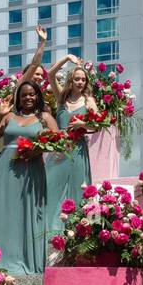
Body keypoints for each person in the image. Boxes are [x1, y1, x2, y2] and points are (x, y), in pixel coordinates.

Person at [0, 28, 54, 274]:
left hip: (32, 168)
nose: (28, 98)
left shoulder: (44, 116)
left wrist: (39, 148)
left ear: (37, 97)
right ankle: (0, 260)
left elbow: (61, 141)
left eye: (31, 94)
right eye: (24, 94)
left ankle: (27, 259)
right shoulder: (9, 115)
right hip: (7, 168)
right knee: (5, 212)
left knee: (28, 213)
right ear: (18, 97)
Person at [46, 54, 95, 241]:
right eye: (77, 79)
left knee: (78, 190)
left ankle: (76, 234)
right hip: (59, 150)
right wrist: (67, 58)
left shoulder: (89, 101)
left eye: (83, 79)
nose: (81, 82)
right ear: (71, 80)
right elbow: (50, 74)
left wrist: (83, 124)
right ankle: (48, 235)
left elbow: (98, 125)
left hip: (78, 149)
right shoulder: (61, 98)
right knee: (50, 188)